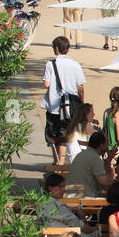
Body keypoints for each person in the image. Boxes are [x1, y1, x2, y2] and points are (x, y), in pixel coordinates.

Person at [42, 36, 86, 164]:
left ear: (56, 48)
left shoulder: (51, 64)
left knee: (53, 135)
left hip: (54, 105)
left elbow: (46, 84)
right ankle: (62, 161)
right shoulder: (76, 65)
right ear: (68, 49)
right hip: (71, 107)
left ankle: (57, 162)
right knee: (65, 134)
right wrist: (81, 102)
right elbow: (80, 87)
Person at [66, 131, 113, 199]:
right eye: (107, 143)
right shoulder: (94, 157)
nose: (108, 146)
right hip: (84, 199)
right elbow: (104, 184)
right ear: (101, 145)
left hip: (71, 196)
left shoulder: (82, 154)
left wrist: (109, 159)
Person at [103, 86, 119, 156]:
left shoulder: (106, 112)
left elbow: (105, 131)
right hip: (116, 150)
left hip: (107, 149)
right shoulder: (118, 115)